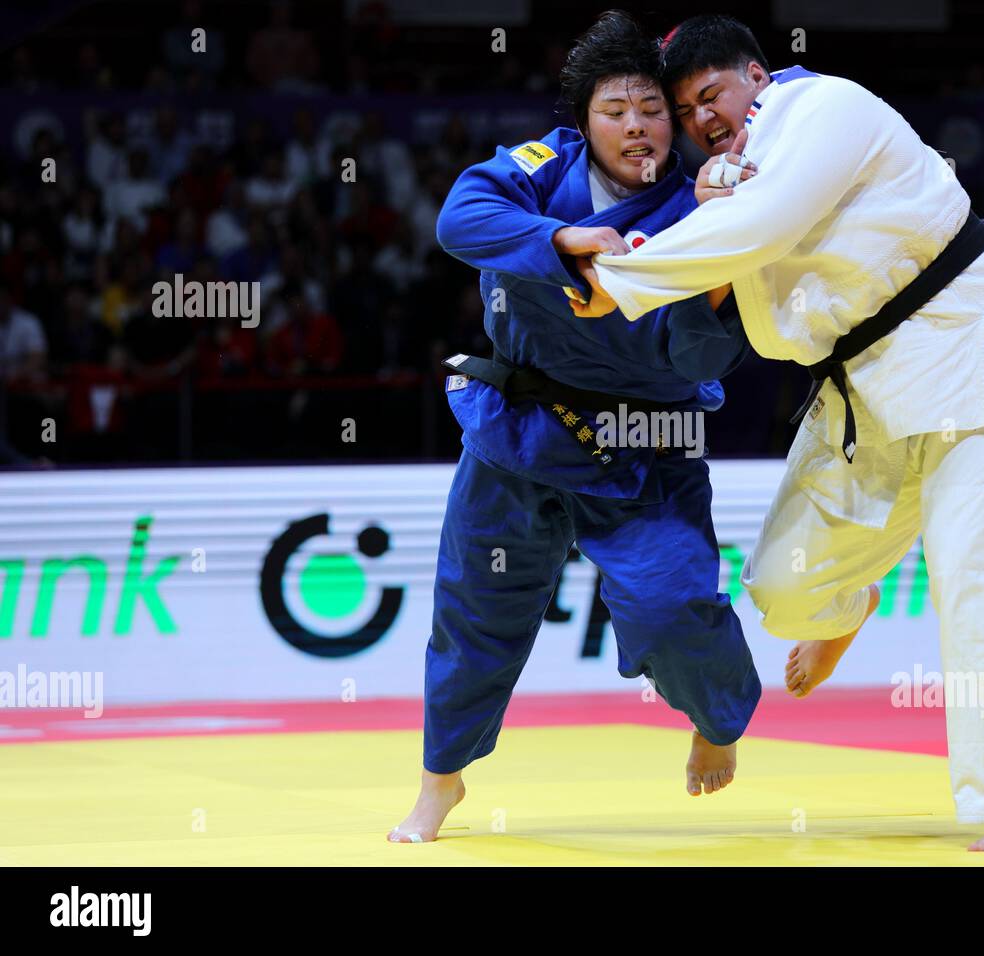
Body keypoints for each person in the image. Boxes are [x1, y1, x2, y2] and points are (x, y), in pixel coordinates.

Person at [577, 16, 984, 852]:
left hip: (981, 351)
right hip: (867, 391)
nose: (703, 119)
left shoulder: (823, 111)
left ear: (757, 75)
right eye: (686, 109)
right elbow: (767, 326)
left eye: (713, 95)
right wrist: (710, 221)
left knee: (983, 580)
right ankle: (847, 604)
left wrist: (618, 276)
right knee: (782, 586)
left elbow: (765, 225)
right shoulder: (730, 182)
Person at [389, 11, 760, 844]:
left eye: (652, 109)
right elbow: (460, 219)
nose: (637, 126)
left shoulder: (707, 204)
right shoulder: (540, 167)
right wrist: (561, 238)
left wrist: (712, 273)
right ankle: (438, 783)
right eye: (615, 110)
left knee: (674, 608)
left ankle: (717, 721)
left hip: (647, 444)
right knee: (474, 611)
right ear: (583, 123)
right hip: (517, 429)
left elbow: (705, 355)